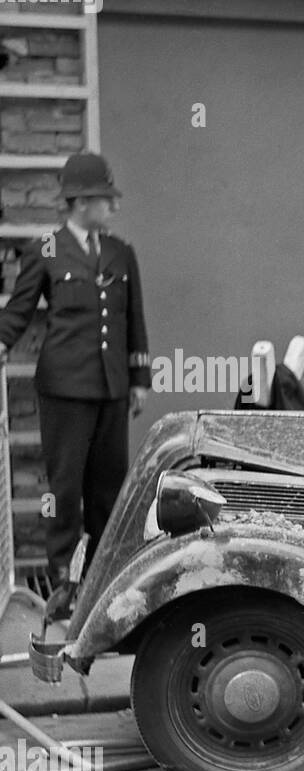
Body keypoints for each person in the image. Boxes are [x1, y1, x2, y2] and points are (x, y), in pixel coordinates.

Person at [0, 153, 149, 619]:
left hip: (111, 388)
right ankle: (64, 579)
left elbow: (134, 319)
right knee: (64, 490)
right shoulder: (45, 249)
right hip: (64, 388)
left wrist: (139, 377)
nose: (113, 209)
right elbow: (20, 310)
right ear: (82, 201)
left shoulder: (121, 252)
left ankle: (104, 580)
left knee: (108, 488)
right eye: (107, 200)